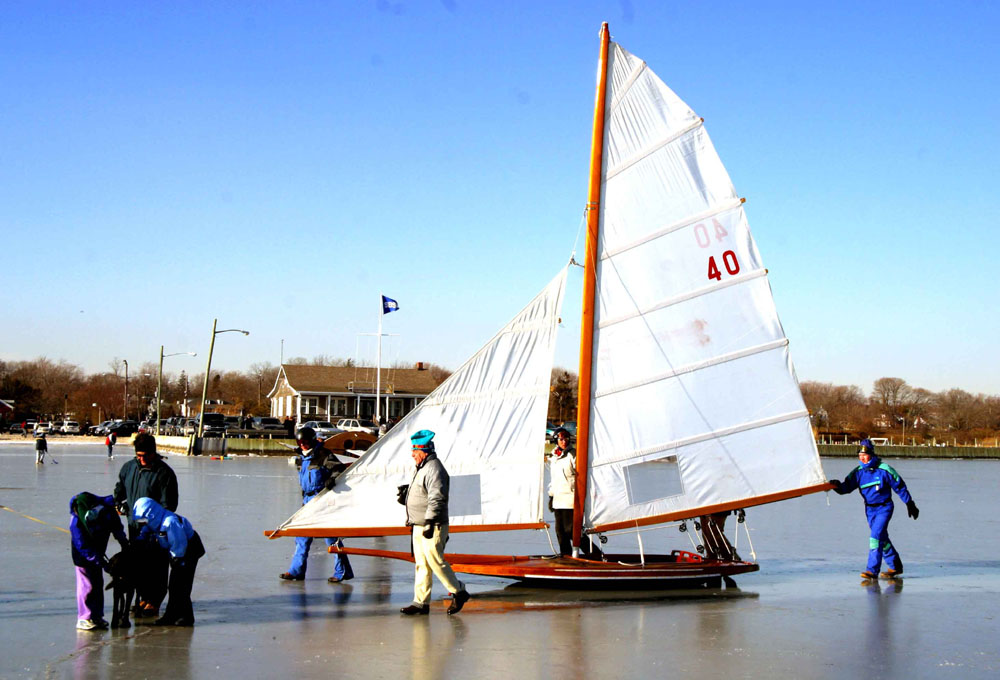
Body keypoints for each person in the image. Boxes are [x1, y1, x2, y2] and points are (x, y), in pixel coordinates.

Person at [398, 430, 470, 616]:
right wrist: (407, 496)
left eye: (415, 451)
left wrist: (430, 521)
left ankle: (458, 591)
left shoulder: (434, 469)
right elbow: (424, 492)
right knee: (421, 563)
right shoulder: (422, 467)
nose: (412, 454)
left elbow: (437, 498)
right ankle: (420, 602)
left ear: (424, 451)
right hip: (419, 523)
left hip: (433, 524)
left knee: (435, 560)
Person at [830, 439, 920, 579]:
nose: (862, 458)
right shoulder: (858, 473)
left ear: (871, 454)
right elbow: (845, 488)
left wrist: (910, 503)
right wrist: (836, 486)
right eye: (860, 456)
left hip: (884, 508)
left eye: (865, 455)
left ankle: (872, 570)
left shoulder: (885, 470)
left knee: (875, 537)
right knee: (881, 538)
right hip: (870, 510)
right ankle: (895, 565)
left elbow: (899, 486)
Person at [113, 433, 178, 617]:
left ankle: (154, 601)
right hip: (134, 527)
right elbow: (120, 490)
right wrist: (118, 503)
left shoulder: (164, 473)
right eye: (138, 456)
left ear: (153, 453)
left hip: (156, 531)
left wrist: (152, 524)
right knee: (138, 564)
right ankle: (142, 597)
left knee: (156, 565)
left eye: (145, 456)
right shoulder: (128, 468)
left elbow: (169, 505)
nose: (141, 460)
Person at [278, 426, 354, 583]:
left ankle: (342, 571)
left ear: (312, 440)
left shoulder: (323, 455)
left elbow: (339, 470)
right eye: (299, 442)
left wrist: (332, 478)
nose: (302, 445)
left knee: (330, 539)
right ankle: (296, 571)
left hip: (323, 500)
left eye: (305, 441)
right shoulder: (302, 458)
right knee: (302, 536)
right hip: (307, 501)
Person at [132, 497, 205, 626]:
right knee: (175, 586)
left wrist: (177, 561)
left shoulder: (170, 522)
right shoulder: (154, 521)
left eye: (143, 520)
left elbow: (179, 545)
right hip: (177, 549)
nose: (142, 523)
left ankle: (184, 618)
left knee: (180, 585)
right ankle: (173, 616)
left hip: (189, 550)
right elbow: (146, 531)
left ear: (151, 514)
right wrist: (139, 541)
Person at [70, 492, 128, 630]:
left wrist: (124, 543)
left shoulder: (106, 510)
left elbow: (117, 528)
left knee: (97, 584)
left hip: (98, 551)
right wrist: (100, 562)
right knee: (86, 586)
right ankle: (84, 618)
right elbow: (83, 546)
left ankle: (97, 616)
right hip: (82, 557)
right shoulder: (75, 522)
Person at [546, 428, 576, 556]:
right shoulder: (554, 457)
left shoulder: (573, 455)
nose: (564, 441)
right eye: (561, 439)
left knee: (571, 531)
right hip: (558, 499)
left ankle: (595, 556)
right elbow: (555, 479)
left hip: (571, 498)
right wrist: (551, 495)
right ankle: (566, 557)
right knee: (560, 532)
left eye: (566, 439)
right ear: (556, 440)